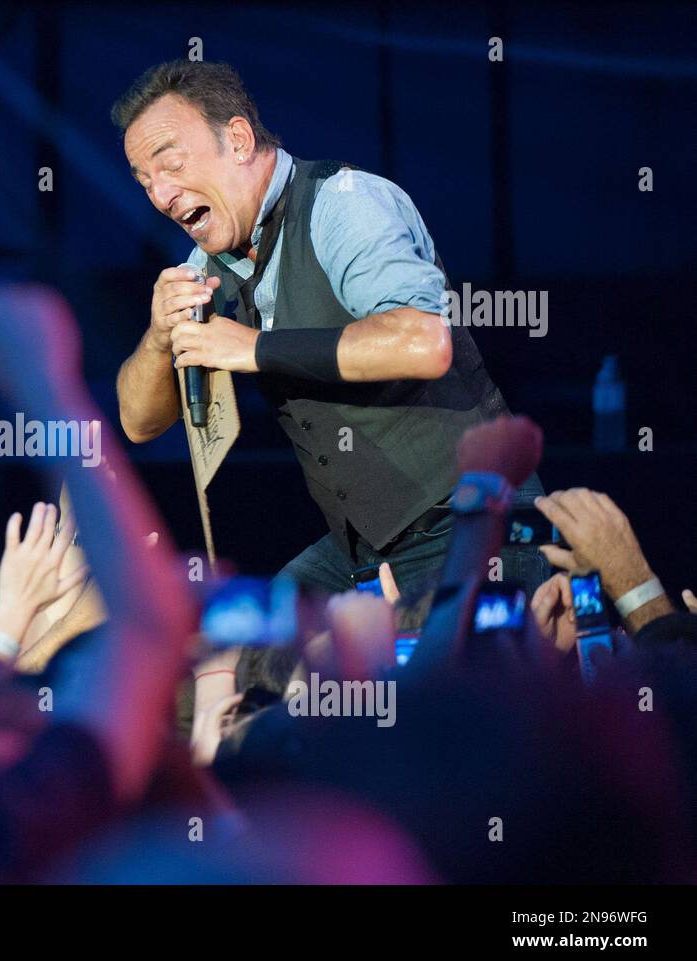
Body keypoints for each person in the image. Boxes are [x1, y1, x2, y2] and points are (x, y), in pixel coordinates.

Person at [111, 60, 546, 596]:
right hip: (363, 548)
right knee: (252, 651)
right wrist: (158, 338)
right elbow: (137, 424)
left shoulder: (344, 206)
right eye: (145, 182)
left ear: (240, 141)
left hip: (472, 522)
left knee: (459, 675)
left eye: (171, 165)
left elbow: (424, 341)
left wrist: (255, 348)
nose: (160, 196)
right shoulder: (207, 266)